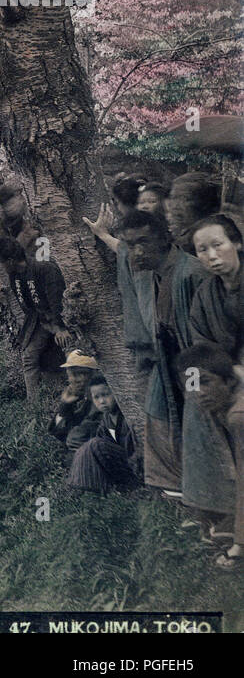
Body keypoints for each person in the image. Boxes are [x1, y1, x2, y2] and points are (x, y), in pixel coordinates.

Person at [117, 210, 205, 495]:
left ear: (165, 237)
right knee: (157, 417)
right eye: (131, 245)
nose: (138, 251)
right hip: (168, 362)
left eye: (144, 242)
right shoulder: (147, 276)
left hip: (199, 364)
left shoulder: (192, 272)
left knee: (202, 430)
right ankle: (180, 492)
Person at [176, 342, 241, 550]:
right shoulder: (230, 388)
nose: (199, 393)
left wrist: (239, 544)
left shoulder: (239, 416)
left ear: (229, 381)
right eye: (193, 385)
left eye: (205, 382)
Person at [0, 236, 68, 401]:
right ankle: (34, 404)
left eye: (1, 263)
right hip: (41, 322)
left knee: (70, 350)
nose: (1, 267)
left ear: (10, 261)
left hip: (60, 320)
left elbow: (57, 300)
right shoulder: (15, 277)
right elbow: (27, 307)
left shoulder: (44, 269)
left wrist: (60, 328)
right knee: (28, 357)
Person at [66, 374, 142, 494]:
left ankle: (80, 490)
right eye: (96, 397)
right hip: (119, 467)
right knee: (87, 448)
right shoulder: (105, 421)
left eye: (106, 395)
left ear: (116, 393)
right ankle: (89, 490)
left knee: (95, 444)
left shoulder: (128, 417)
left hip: (135, 467)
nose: (102, 401)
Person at [188, 214, 244, 359]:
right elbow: (202, 343)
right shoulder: (204, 295)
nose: (212, 255)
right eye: (202, 249)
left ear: (236, 243)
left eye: (217, 245)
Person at [49, 350, 100, 448]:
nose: (74, 380)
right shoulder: (83, 400)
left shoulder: (98, 401)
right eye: (71, 374)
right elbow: (56, 432)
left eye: (80, 374)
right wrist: (65, 406)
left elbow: (76, 436)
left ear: (94, 375)